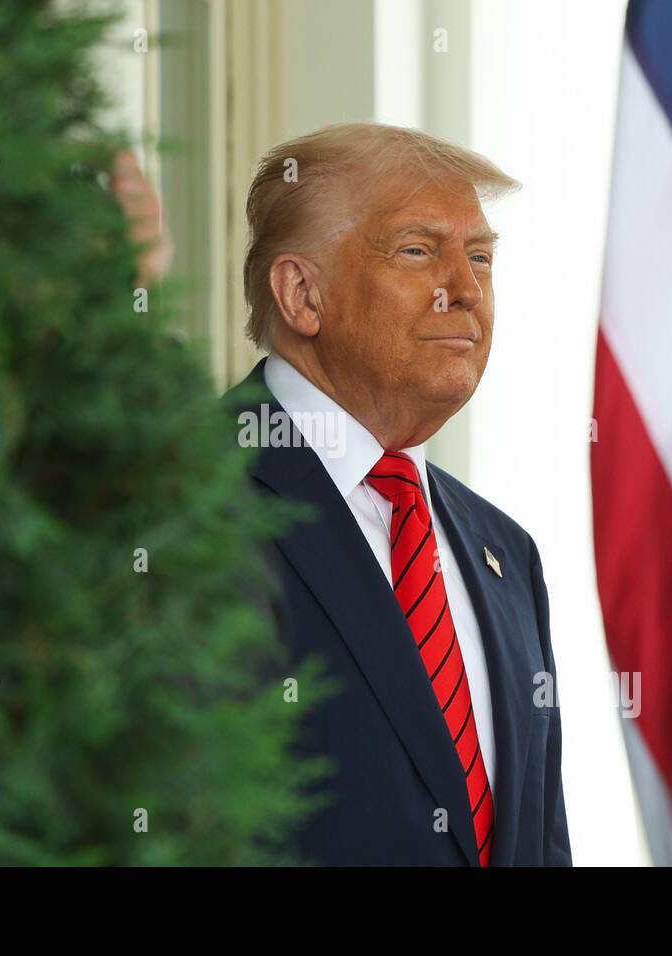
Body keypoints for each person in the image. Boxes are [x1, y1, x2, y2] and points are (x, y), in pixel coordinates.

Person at [225, 122, 571, 866]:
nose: (467, 289)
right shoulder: (181, 503)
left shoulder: (507, 553)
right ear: (302, 293)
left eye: (480, 257)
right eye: (419, 251)